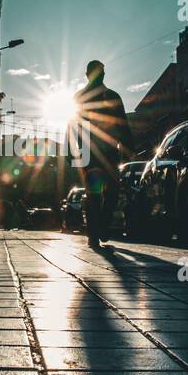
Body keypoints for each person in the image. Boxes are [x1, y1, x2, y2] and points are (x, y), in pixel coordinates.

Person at [73, 60, 134, 247]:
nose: (101, 75)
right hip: (90, 155)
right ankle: (94, 234)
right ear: (88, 75)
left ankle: (103, 226)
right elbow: (73, 126)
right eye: (97, 73)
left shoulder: (113, 96)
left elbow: (122, 124)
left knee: (113, 193)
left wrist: (128, 148)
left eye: (102, 72)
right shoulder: (79, 98)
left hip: (109, 153)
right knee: (94, 194)